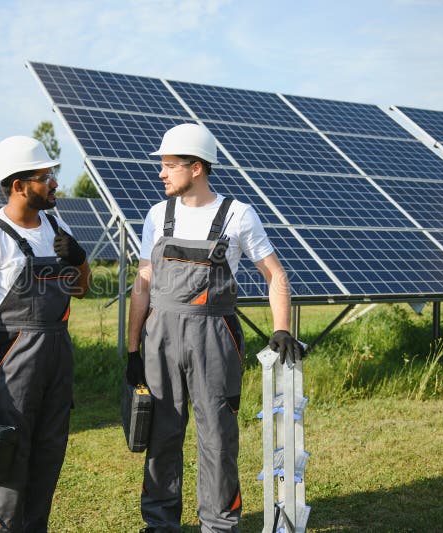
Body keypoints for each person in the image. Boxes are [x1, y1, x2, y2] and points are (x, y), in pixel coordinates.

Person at [126, 124, 305, 533]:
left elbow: (275, 274)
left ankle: (220, 525)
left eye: (169, 165)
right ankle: (160, 524)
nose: (161, 173)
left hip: (215, 340)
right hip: (160, 340)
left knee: (218, 439)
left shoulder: (238, 215)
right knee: (161, 436)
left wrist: (281, 329)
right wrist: (134, 348)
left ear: (196, 167)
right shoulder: (158, 215)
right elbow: (143, 282)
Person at [0, 135, 91, 532]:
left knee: (48, 458)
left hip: (56, 357)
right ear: (19, 185)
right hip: (10, 365)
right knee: (8, 466)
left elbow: (81, 289)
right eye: (45, 176)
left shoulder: (56, 223)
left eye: (52, 174)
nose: (54, 183)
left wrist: (80, 259)